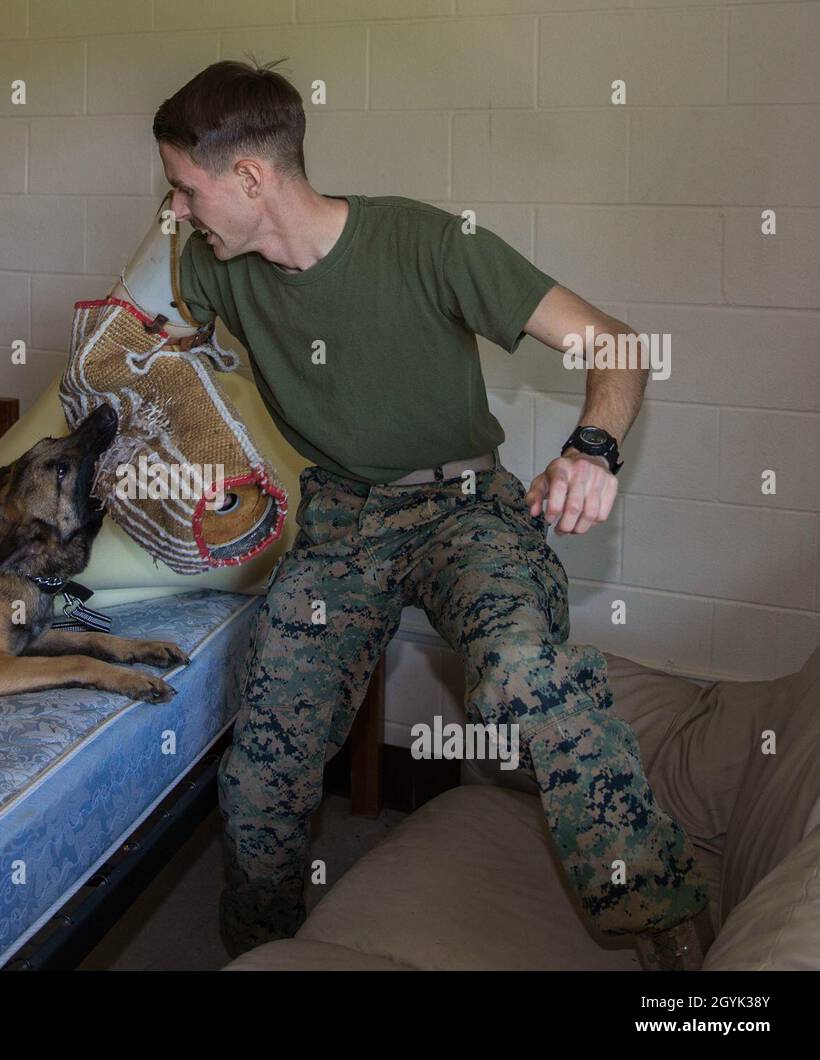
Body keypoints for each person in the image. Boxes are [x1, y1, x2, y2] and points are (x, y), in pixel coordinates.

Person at [148, 58, 709, 970]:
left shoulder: (429, 243)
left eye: (183, 189)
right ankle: (263, 954)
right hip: (337, 519)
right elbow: (148, 354)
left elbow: (620, 345)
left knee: (526, 679)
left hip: (461, 508)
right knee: (260, 775)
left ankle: (674, 944)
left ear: (249, 179)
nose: (175, 212)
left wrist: (593, 449)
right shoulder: (212, 268)